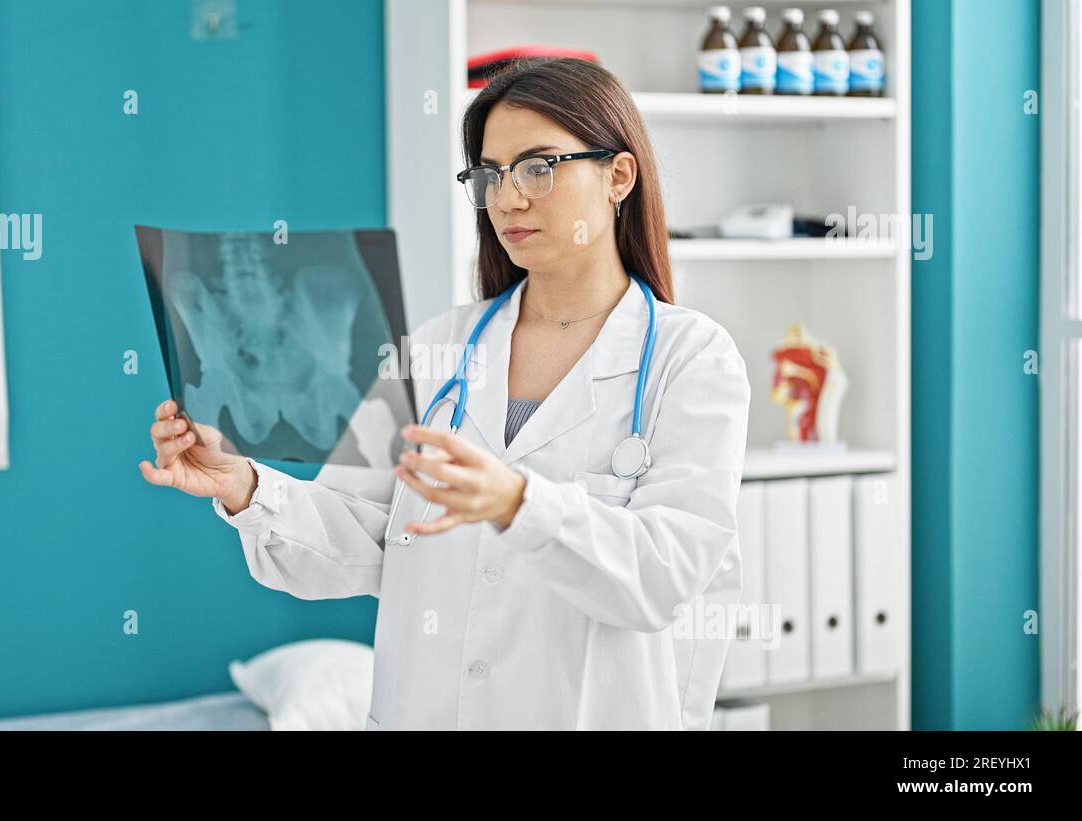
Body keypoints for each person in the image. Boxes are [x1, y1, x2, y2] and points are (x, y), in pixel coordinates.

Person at [140, 57, 752, 730]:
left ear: (618, 175)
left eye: (538, 167)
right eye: (489, 175)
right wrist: (245, 486)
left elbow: (661, 576)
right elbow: (358, 535)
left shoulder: (690, 359)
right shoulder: (440, 349)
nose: (508, 199)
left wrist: (519, 503)